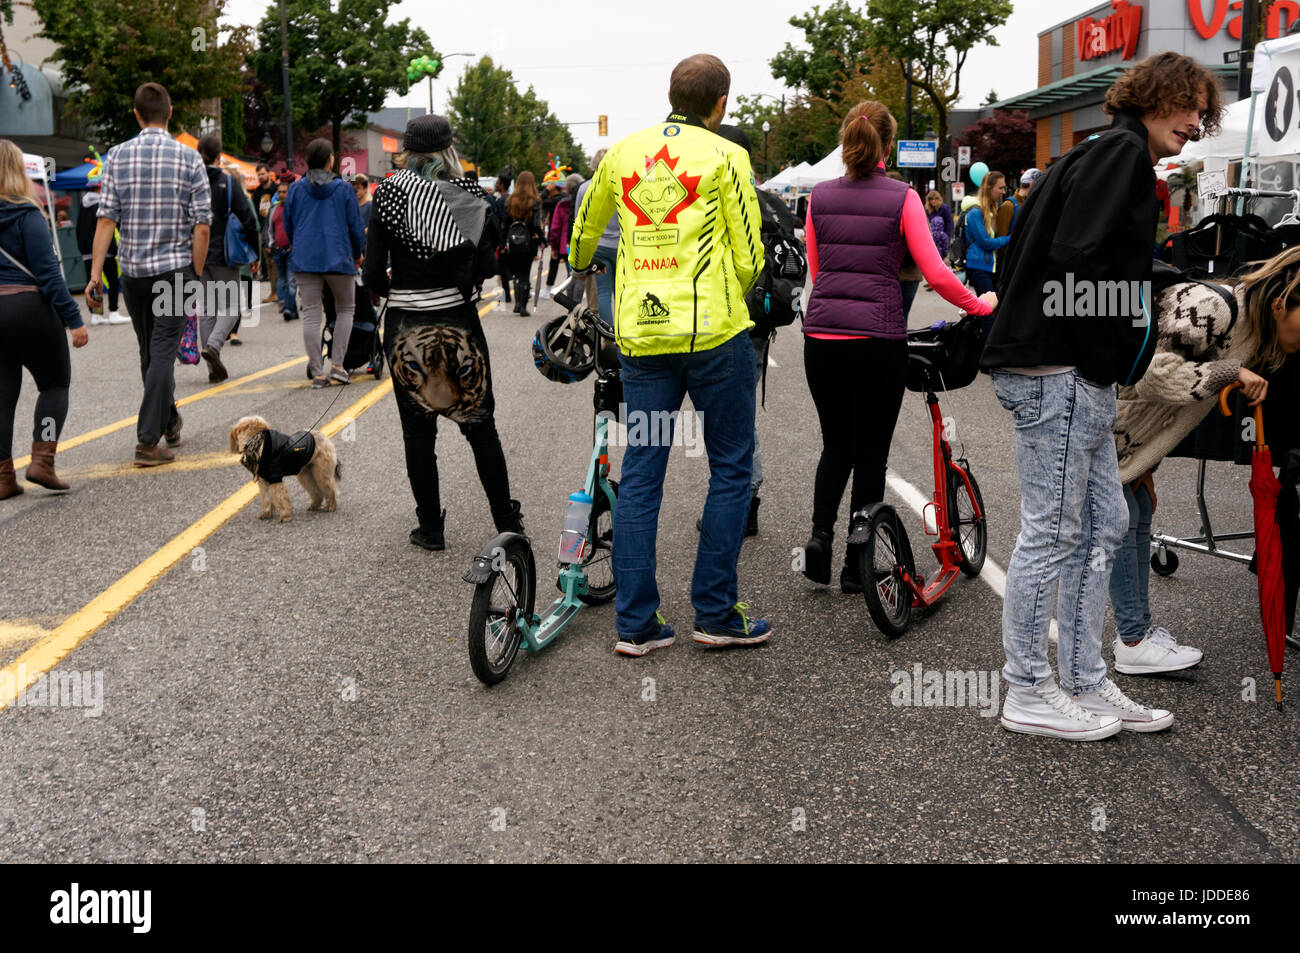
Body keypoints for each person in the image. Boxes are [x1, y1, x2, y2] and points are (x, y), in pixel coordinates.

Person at [981, 51, 1224, 740]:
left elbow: (1067, 255)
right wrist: (1117, 339)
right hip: (1057, 369)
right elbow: (1076, 259)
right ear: (1154, 96)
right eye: (1187, 104)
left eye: (1202, 112)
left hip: (1063, 367)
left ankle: (1085, 678)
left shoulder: (1097, 155)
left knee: (1102, 525)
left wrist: (1154, 280)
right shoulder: (1119, 156)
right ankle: (1027, 689)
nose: (1195, 120)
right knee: (1056, 531)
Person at [570, 53, 768, 656]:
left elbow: (586, 227)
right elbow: (750, 250)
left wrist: (583, 265)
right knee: (731, 465)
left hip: (643, 339)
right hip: (713, 338)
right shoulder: (728, 157)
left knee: (643, 476)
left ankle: (635, 623)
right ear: (722, 103)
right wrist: (730, 291)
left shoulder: (626, 152)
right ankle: (715, 613)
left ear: (670, 94)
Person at [799, 101, 996, 592]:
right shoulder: (903, 197)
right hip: (876, 340)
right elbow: (935, 272)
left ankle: (819, 540)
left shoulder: (818, 197)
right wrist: (979, 305)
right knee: (870, 455)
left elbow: (818, 272)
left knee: (835, 446)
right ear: (889, 146)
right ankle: (854, 564)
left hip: (822, 339)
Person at [1110, 250, 1300, 675]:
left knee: (1136, 512)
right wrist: (1231, 373)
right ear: (1280, 303)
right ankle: (1131, 640)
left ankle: (1135, 630)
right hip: (1102, 419)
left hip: (1127, 435)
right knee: (1110, 525)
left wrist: (1147, 463)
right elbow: (1154, 374)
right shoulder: (1212, 305)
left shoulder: (1253, 329)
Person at [363, 114, 523, 549]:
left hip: (406, 328)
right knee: (480, 425)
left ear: (409, 151)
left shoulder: (389, 194)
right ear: (448, 149)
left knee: (418, 432)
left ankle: (431, 528)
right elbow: (489, 268)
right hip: (458, 323)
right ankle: (507, 520)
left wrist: (399, 281)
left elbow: (373, 274)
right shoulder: (471, 195)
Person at [86, 82, 212, 467]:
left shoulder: (117, 157)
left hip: (134, 273)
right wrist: (196, 271)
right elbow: (202, 225)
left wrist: (95, 276)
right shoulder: (189, 159)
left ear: (137, 114)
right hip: (174, 269)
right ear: (169, 113)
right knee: (162, 352)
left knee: (149, 352)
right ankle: (146, 441)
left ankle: (169, 422)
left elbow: (106, 220)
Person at [0, 139, 88, 498]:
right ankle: (43, 460)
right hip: (30, 309)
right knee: (54, 385)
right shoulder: (27, 215)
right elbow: (50, 275)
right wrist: (74, 319)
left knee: (1, 397)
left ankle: (4, 478)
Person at [285, 138, 365, 388]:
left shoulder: (296, 189)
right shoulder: (343, 189)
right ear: (330, 159)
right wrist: (358, 251)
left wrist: (298, 243)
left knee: (310, 314)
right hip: (338, 256)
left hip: (305, 257)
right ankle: (338, 366)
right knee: (345, 309)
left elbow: (288, 223)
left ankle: (317, 373)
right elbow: (354, 224)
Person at [195, 136, 259, 383]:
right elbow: (249, 220)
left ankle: (213, 369)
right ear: (219, 156)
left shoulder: (191, 182)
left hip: (198, 253)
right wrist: (253, 252)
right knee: (232, 307)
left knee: (208, 310)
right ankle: (213, 346)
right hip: (224, 252)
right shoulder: (228, 183)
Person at [572, 149, 618, 325]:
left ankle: (608, 337)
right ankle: (623, 333)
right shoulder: (621, 185)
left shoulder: (584, 188)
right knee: (621, 293)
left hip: (598, 246)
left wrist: (579, 261)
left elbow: (579, 222)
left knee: (603, 293)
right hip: (620, 245)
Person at [76, 182, 128, 325]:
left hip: (87, 251)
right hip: (105, 250)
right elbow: (108, 225)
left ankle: (96, 314)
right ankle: (113, 312)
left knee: (93, 282)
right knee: (112, 281)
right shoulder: (103, 203)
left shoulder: (83, 204)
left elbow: (80, 228)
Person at [963, 171, 1009, 319]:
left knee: (987, 310)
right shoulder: (975, 212)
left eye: (1004, 188)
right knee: (988, 312)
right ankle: (984, 342)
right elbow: (985, 243)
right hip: (978, 266)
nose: (1003, 192)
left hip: (989, 266)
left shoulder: (990, 210)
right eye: (1000, 188)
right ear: (989, 188)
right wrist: (1010, 238)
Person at [503, 170, 543, 315]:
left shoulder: (510, 200)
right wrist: (543, 239)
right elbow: (537, 225)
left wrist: (502, 243)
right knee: (525, 274)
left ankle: (517, 302)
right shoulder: (535, 201)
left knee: (516, 274)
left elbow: (504, 224)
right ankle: (523, 306)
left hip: (512, 243)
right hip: (528, 243)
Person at [542, 173, 580, 297]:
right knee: (574, 272)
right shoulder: (583, 201)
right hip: (579, 242)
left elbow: (555, 227)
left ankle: (550, 290)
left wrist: (553, 245)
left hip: (562, 242)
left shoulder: (560, 203)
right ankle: (577, 295)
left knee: (556, 266)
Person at [267, 177, 297, 320]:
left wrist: (295, 245)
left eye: (285, 192)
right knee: (282, 279)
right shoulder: (273, 210)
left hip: (292, 249)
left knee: (291, 280)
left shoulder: (295, 208)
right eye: (280, 192)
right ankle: (291, 308)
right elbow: (269, 229)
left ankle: (287, 308)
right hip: (278, 249)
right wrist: (271, 244)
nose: (282, 195)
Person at [250, 164, 278, 305]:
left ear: (269, 173)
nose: (260, 177)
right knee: (268, 262)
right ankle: (274, 292)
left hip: (275, 228)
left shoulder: (276, 190)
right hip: (262, 229)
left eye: (262, 174)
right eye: (258, 175)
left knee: (275, 262)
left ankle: (277, 292)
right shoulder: (257, 192)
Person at [924, 189, 952, 263]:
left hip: (943, 237)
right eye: (931, 199)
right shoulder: (929, 210)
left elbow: (949, 223)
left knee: (942, 257)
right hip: (933, 237)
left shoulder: (944, 208)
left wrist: (947, 237)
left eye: (935, 199)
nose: (933, 201)